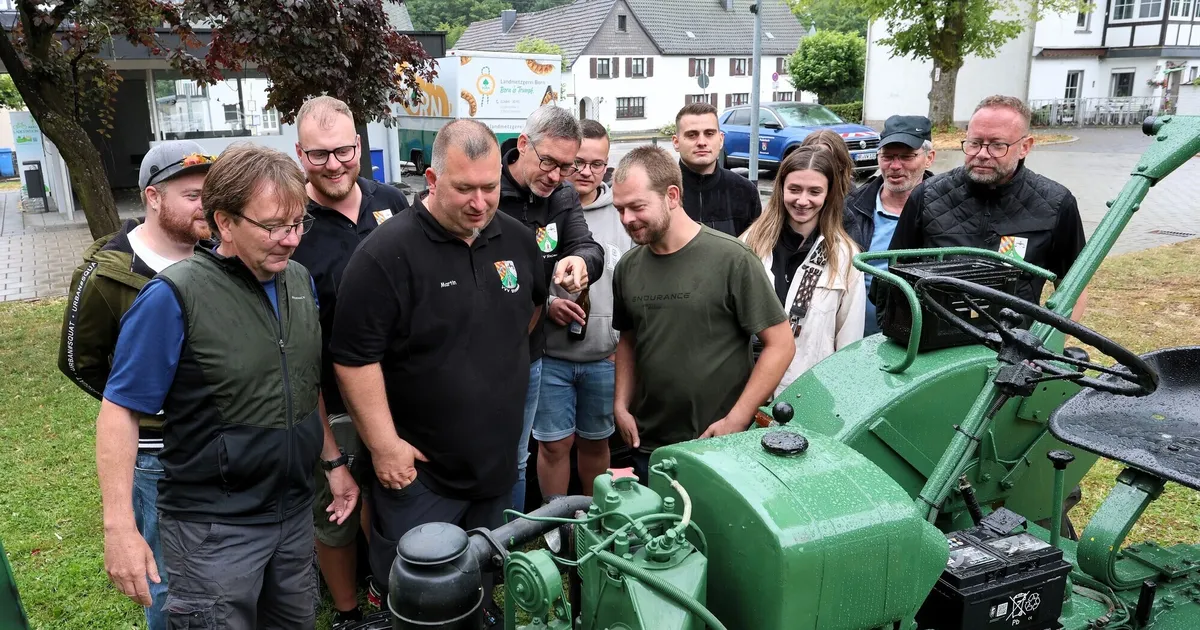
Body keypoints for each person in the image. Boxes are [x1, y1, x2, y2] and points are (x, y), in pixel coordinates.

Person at [96, 143, 357, 629]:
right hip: (213, 529)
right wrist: (120, 528)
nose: (290, 240)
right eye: (273, 226)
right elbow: (119, 411)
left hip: (294, 512)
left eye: (298, 224)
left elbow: (303, 385)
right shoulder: (174, 296)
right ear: (224, 222)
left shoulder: (299, 281)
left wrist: (333, 464)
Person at [329, 121, 547, 619]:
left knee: (480, 577)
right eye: (464, 188)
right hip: (420, 473)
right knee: (418, 594)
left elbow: (533, 307)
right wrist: (385, 447)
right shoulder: (385, 256)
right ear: (431, 178)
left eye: (490, 187)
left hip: (493, 466)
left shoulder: (515, 240)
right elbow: (353, 359)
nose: (479, 202)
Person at [59, 140, 214, 630]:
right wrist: (141, 407)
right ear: (153, 197)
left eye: (210, 195)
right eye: (192, 196)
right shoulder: (107, 274)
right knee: (168, 580)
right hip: (155, 455)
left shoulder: (215, 256)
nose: (206, 207)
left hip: (217, 441)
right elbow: (78, 361)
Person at [289, 95, 410, 625]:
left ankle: (391, 594)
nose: (333, 164)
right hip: (328, 398)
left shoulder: (394, 203)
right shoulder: (291, 222)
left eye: (342, 150)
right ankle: (347, 611)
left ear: (359, 146)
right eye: (318, 155)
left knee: (395, 500)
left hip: (403, 389)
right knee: (336, 509)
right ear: (299, 155)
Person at [610, 146, 794, 483]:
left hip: (718, 442)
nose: (626, 220)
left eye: (637, 207)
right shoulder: (628, 267)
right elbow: (628, 340)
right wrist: (621, 405)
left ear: (672, 196)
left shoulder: (732, 259)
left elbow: (781, 344)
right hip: (648, 444)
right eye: (619, 209)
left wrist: (737, 419)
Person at [886, 95, 1088, 321]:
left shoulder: (1056, 203)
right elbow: (894, 275)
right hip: (935, 343)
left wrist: (1049, 344)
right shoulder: (927, 196)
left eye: (997, 145)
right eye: (975, 143)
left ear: (1025, 147)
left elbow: (1073, 289)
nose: (982, 154)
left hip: (1014, 345)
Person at [498, 104, 604, 512]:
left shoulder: (561, 196)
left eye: (567, 166)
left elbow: (586, 246)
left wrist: (581, 264)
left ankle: (508, 540)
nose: (557, 176)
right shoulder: (488, 188)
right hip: (477, 351)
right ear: (523, 145)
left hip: (531, 352)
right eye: (549, 162)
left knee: (519, 456)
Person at [535, 120, 633, 498]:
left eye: (597, 164)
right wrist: (548, 306)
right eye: (577, 163)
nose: (586, 172)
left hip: (604, 357)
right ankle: (553, 523)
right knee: (554, 446)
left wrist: (620, 348)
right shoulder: (543, 210)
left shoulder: (621, 215)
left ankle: (593, 515)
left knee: (596, 443)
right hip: (551, 355)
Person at [742, 147, 865, 394]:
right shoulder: (749, 244)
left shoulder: (845, 257)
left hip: (810, 394)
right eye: (794, 189)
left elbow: (849, 343)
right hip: (748, 389)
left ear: (829, 194)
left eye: (814, 191)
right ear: (781, 189)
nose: (802, 201)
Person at [843, 115, 935, 335]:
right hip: (851, 341)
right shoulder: (851, 208)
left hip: (914, 344)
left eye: (906, 157)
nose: (895, 166)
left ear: (929, 158)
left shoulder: (947, 211)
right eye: (888, 157)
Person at [673, 102, 763, 237]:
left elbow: (754, 249)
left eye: (709, 133)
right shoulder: (660, 192)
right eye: (692, 135)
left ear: (721, 139)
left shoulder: (745, 191)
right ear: (676, 142)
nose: (702, 142)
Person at [800, 129, 854, 197]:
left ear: (840, 163)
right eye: (811, 156)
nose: (816, 164)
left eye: (825, 159)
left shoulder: (853, 198)